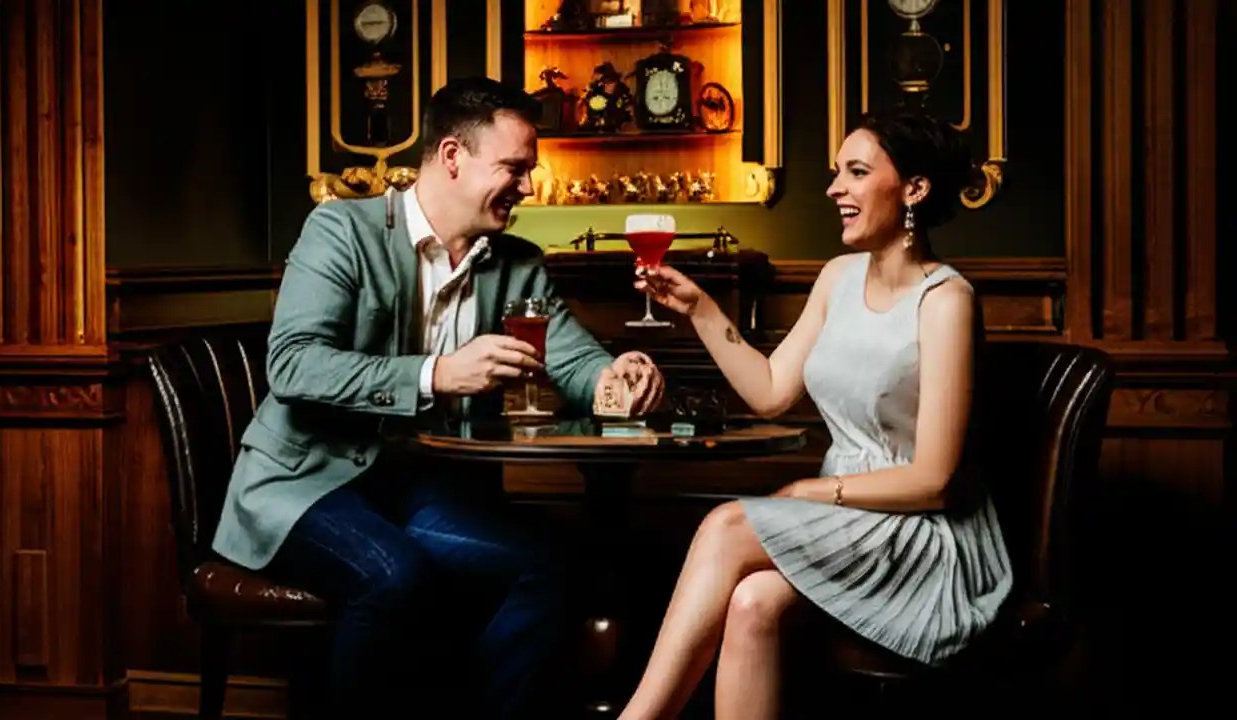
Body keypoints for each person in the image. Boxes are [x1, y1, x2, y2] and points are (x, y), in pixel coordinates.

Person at [210, 76, 665, 718]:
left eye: (531, 170)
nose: (529, 186)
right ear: (452, 156)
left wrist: (618, 375)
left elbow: (573, 358)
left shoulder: (517, 263)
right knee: (395, 578)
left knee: (549, 567)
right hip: (303, 485)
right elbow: (294, 365)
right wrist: (435, 374)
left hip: (414, 490)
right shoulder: (341, 229)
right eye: (514, 167)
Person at [618, 109, 1014, 719]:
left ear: (914, 189)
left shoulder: (946, 300)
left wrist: (812, 488)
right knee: (752, 604)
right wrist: (701, 310)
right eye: (837, 173)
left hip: (917, 529)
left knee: (726, 526)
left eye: (856, 172)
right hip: (844, 522)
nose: (834, 189)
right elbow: (772, 390)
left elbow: (934, 481)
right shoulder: (836, 277)